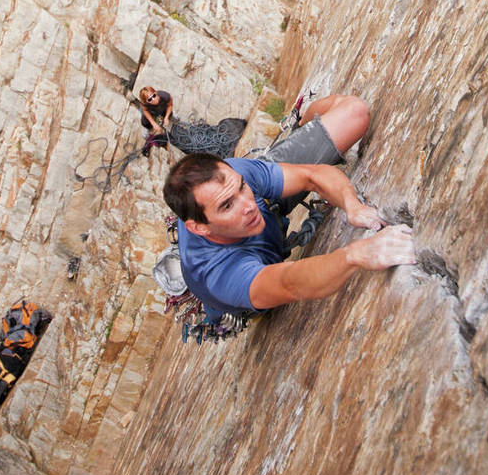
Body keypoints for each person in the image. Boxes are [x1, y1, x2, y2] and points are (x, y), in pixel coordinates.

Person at [162, 95, 416, 321]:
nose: (249, 206)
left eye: (241, 188)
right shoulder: (219, 274)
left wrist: (352, 205)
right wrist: (354, 255)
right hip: (248, 269)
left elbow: (311, 176)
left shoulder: (234, 174)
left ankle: (302, 120)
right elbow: (289, 283)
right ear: (199, 227)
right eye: (227, 205)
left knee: (354, 113)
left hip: (270, 209)